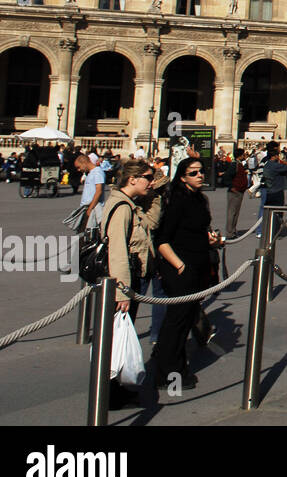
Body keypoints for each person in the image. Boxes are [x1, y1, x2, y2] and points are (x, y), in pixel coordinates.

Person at [151, 156, 224, 396]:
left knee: (184, 321)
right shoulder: (178, 201)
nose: (200, 175)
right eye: (193, 173)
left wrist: (210, 239)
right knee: (177, 321)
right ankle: (166, 374)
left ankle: (177, 368)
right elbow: (162, 239)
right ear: (182, 177)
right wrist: (180, 266)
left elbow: (194, 232)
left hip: (197, 266)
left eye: (202, 171)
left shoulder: (199, 199)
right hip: (181, 269)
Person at [101, 158, 156, 407]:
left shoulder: (130, 203)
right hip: (124, 281)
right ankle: (110, 392)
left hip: (130, 277)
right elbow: (117, 250)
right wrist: (122, 289)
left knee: (119, 334)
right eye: (147, 177)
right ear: (132, 179)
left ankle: (116, 387)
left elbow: (151, 222)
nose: (151, 182)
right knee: (115, 339)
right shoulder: (122, 207)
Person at [76, 152, 108, 232]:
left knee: (91, 233)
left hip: (94, 207)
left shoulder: (97, 172)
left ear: (84, 163)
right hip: (88, 207)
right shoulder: (90, 173)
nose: (79, 170)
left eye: (79, 167)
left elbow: (98, 191)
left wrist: (90, 209)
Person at [226, 150, 248, 236]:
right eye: (243, 154)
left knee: (236, 213)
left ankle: (233, 230)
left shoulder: (239, 164)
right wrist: (232, 187)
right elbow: (227, 176)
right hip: (235, 191)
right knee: (232, 212)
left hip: (239, 191)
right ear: (240, 155)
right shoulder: (234, 164)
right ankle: (229, 232)